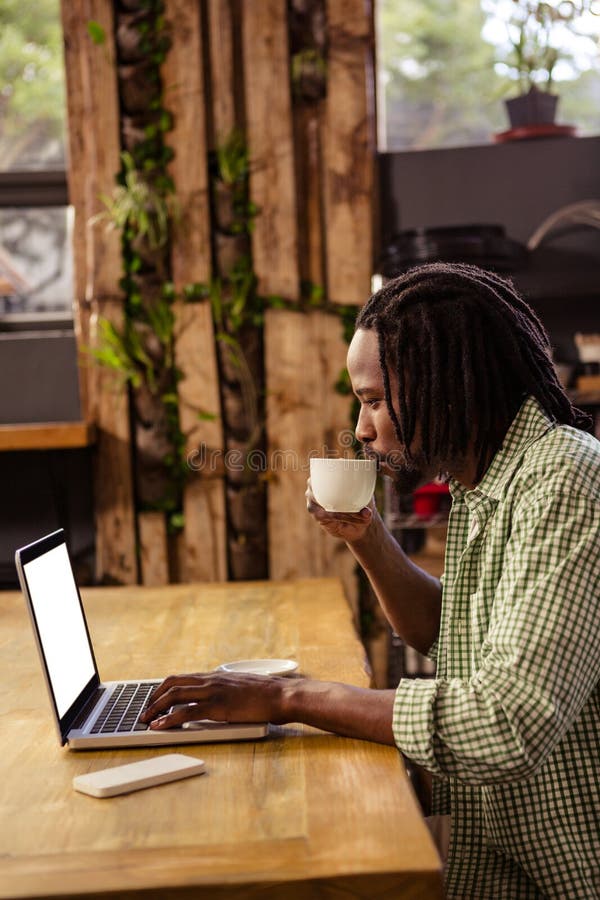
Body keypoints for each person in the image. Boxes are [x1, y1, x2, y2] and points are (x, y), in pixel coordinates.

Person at [141, 262, 600, 899]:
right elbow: (448, 631)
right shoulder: (485, 479)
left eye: (375, 400)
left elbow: (504, 722)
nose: (361, 429)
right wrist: (366, 536)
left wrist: (289, 698)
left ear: (447, 381)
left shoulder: (566, 481)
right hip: (500, 855)